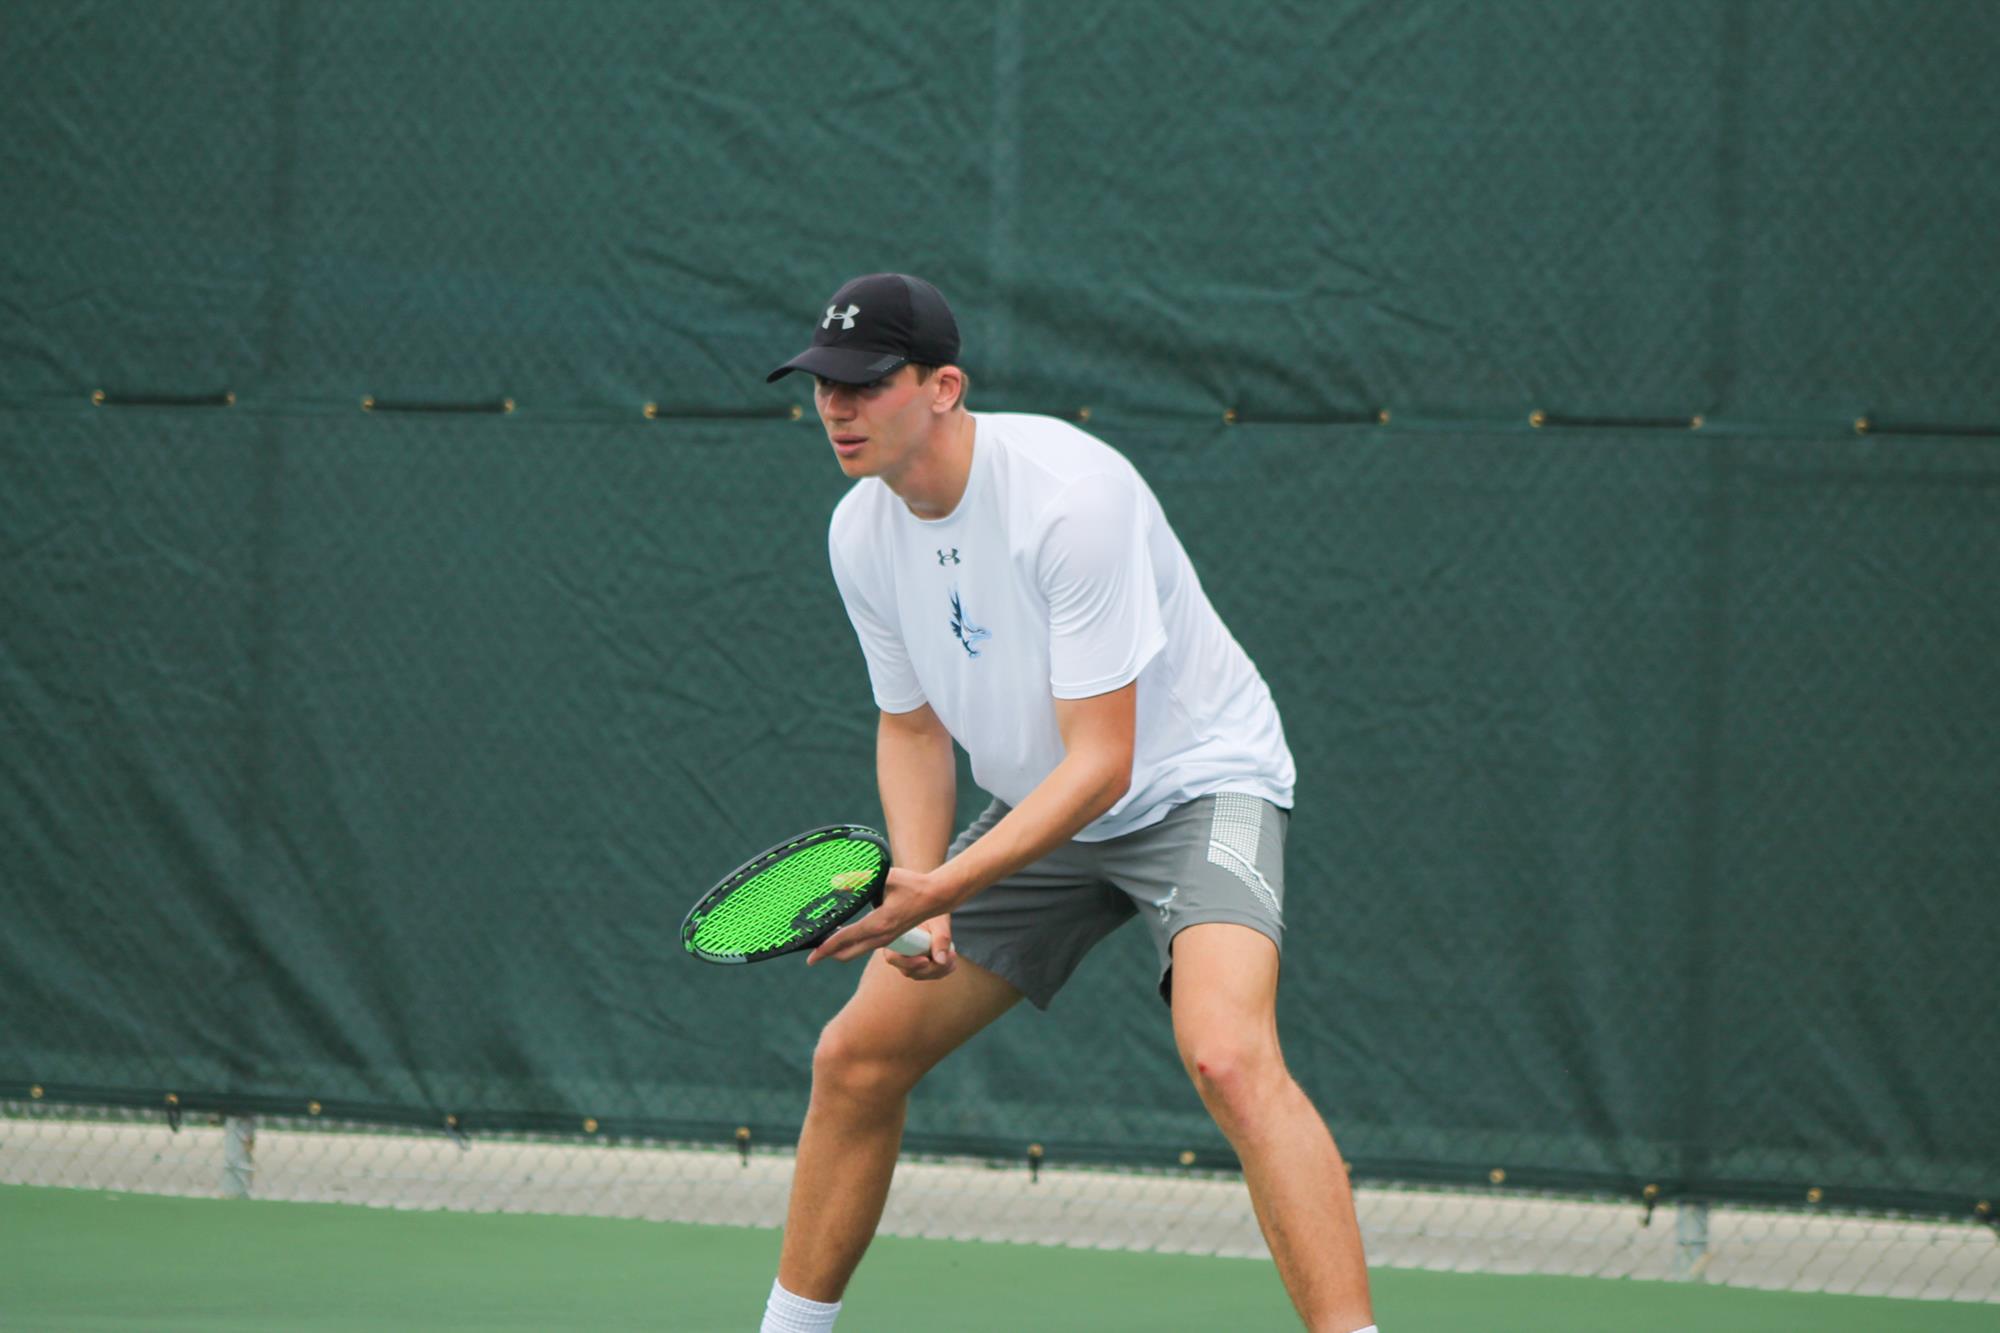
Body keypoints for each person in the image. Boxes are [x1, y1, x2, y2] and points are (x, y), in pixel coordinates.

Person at [757, 273, 1376, 1333]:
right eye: (822, 384)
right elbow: (909, 727)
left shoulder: (1069, 498)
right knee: (853, 1059)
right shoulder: (859, 534)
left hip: (1192, 783)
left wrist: (941, 882)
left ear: (943, 387)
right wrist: (925, 893)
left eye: (865, 384)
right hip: (1043, 804)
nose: (837, 408)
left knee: (1225, 1054)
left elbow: (1106, 764)